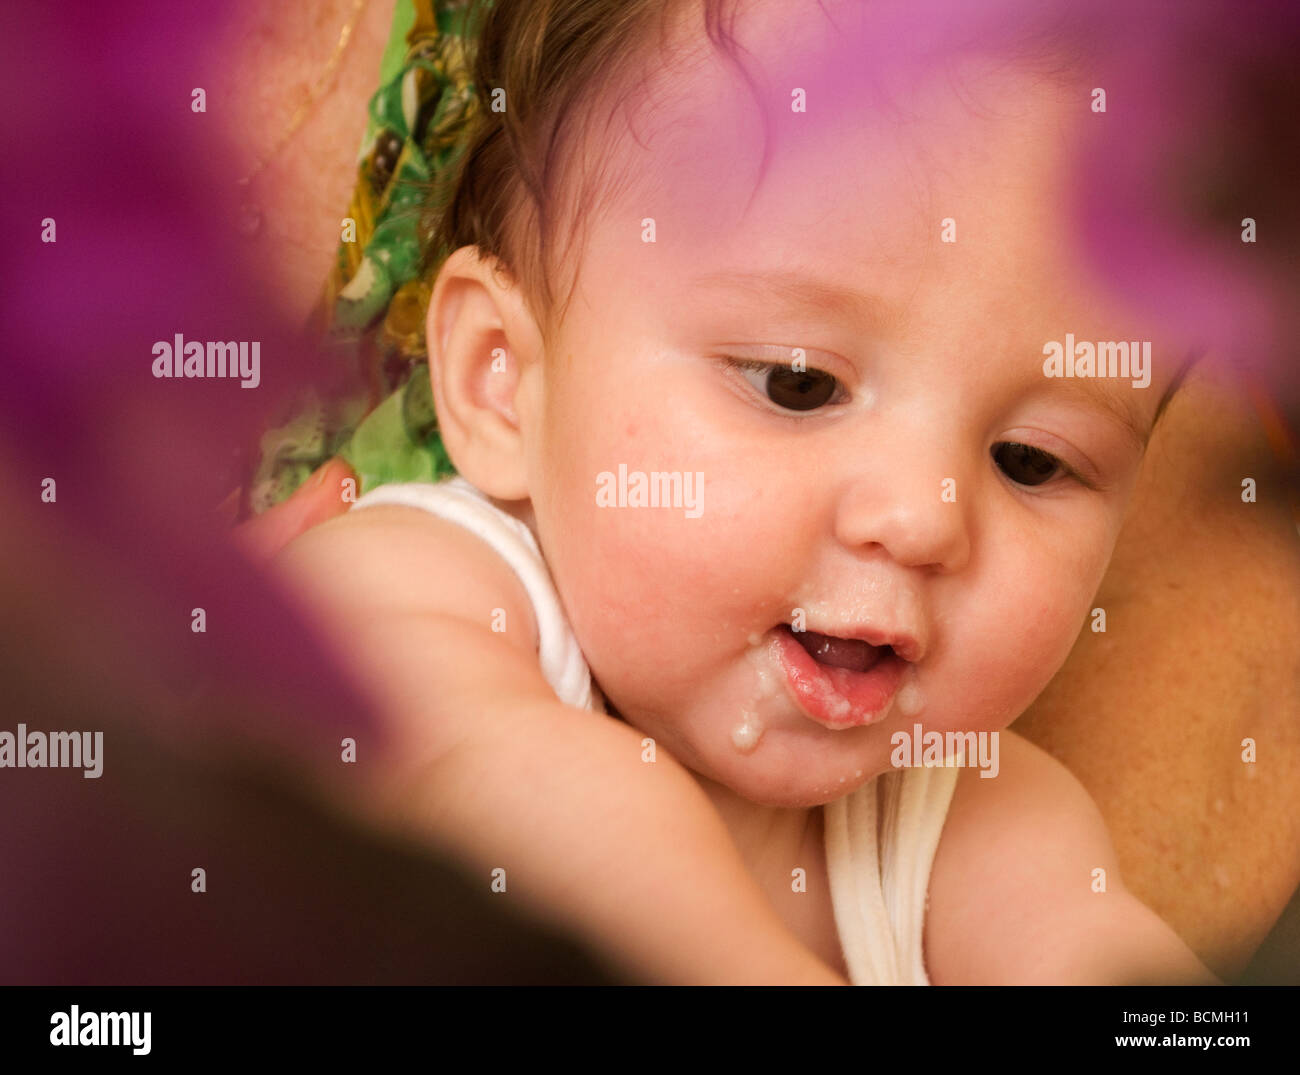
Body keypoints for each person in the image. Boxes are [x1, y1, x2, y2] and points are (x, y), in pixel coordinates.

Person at [249, 0, 1251, 984]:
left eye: (1031, 459)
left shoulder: (973, 819)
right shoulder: (407, 590)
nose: (922, 517)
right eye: (797, 384)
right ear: (501, 378)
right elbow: (512, 792)